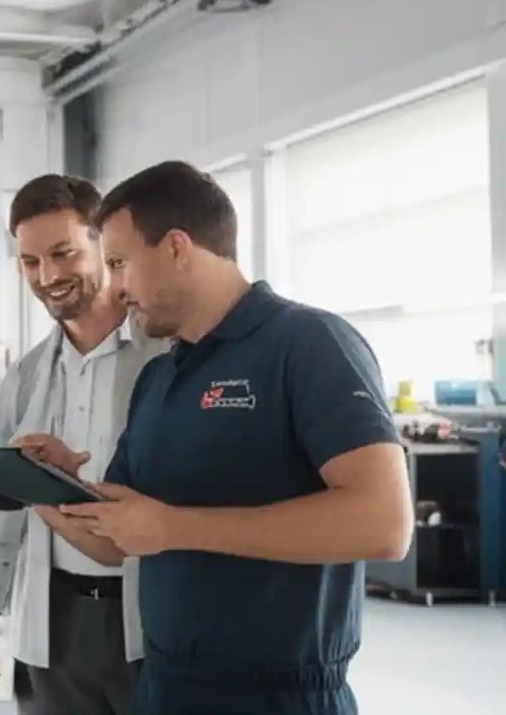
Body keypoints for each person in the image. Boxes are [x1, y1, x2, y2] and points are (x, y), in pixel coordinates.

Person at [28, 161, 413, 714]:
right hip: (164, 688)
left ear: (176, 248)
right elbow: (118, 543)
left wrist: (173, 527)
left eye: (118, 263)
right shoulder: (159, 377)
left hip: (280, 696)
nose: (115, 288)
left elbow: (385, 524)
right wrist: (50, 487)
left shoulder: (309, 343)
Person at [0, 174, 165, 715]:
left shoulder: (167, 357)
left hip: (151, 622)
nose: (48, 276)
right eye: (30, 261)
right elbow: (9, 511)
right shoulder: (25, 377)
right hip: (51, 628)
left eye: (63, 253)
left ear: (104, 245)